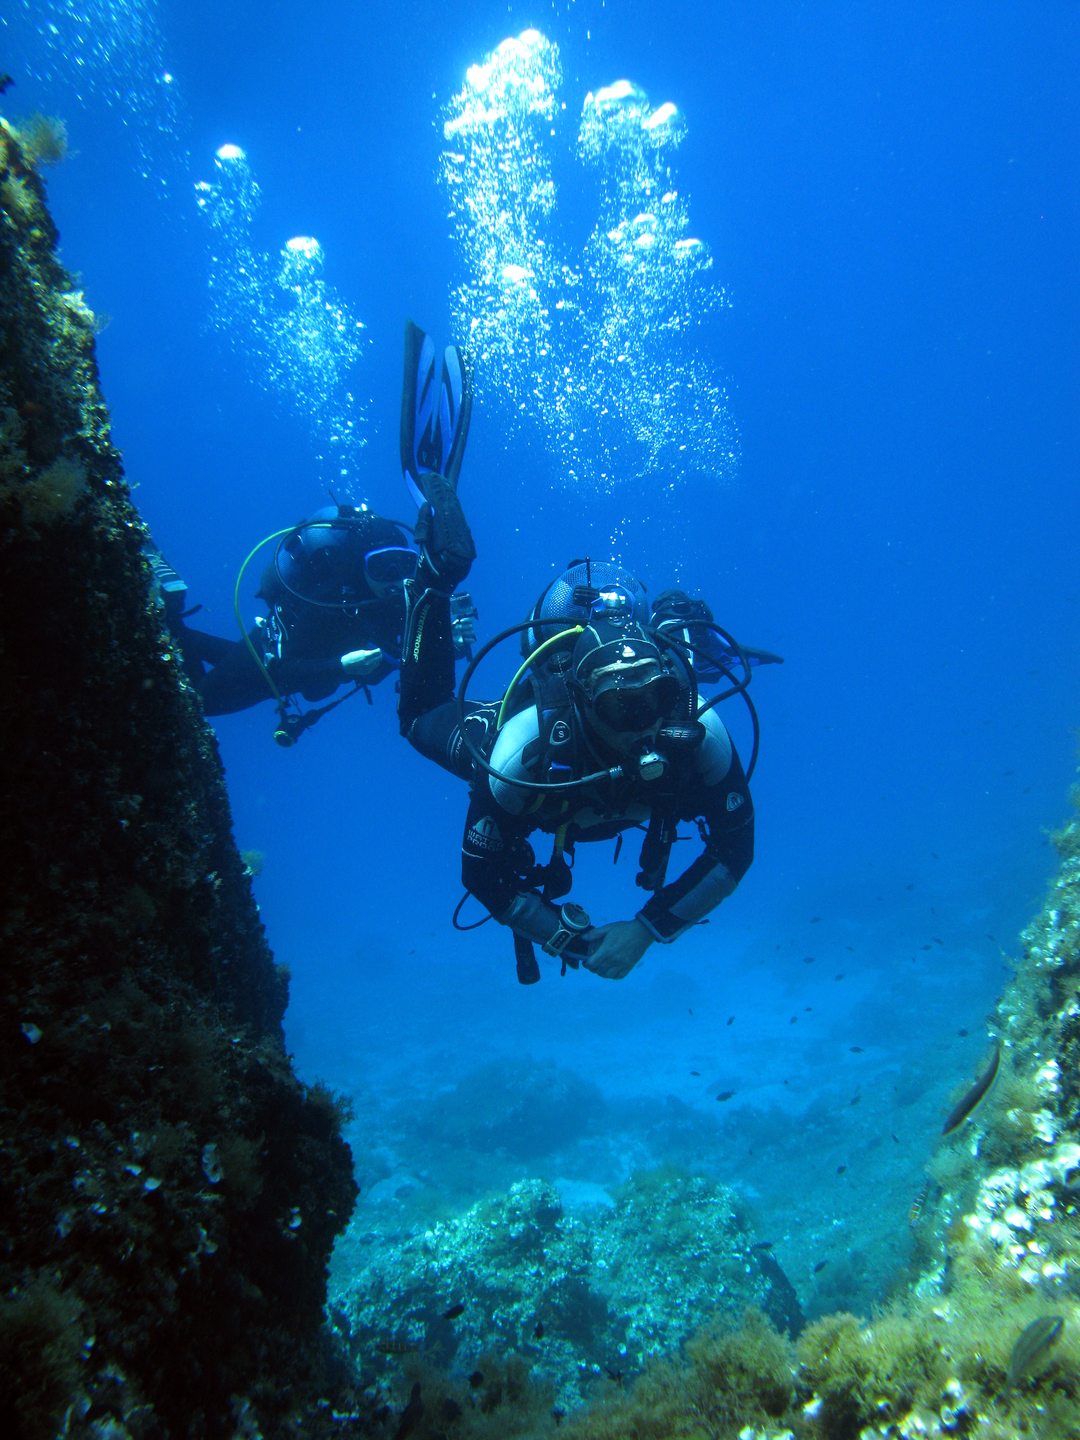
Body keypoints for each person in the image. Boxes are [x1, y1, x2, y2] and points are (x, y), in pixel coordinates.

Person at [398, 327, 778, 985]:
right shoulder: (523, 750)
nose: (647, 720)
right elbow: (480, 871)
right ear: (580, 700)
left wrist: (649, 928)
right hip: (544, 751)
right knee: (419, 721)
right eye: (621, 703)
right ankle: (435, 578)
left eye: (658, 696)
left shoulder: (699, 729)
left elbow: (735, 849)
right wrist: (558, 936)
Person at [148, 327, 476, 745]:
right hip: (278, 658)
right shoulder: (331, 599)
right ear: (361, 568)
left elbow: (410, 657)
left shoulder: (398, 604)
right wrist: (341, 668)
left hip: (291, 671)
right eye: (383, 567)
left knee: (224, 663)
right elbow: (281, 668)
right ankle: (171, 608)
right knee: (201, 702)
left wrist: (450, 633)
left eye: (404, 564)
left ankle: (179, 632)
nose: (395, 578)